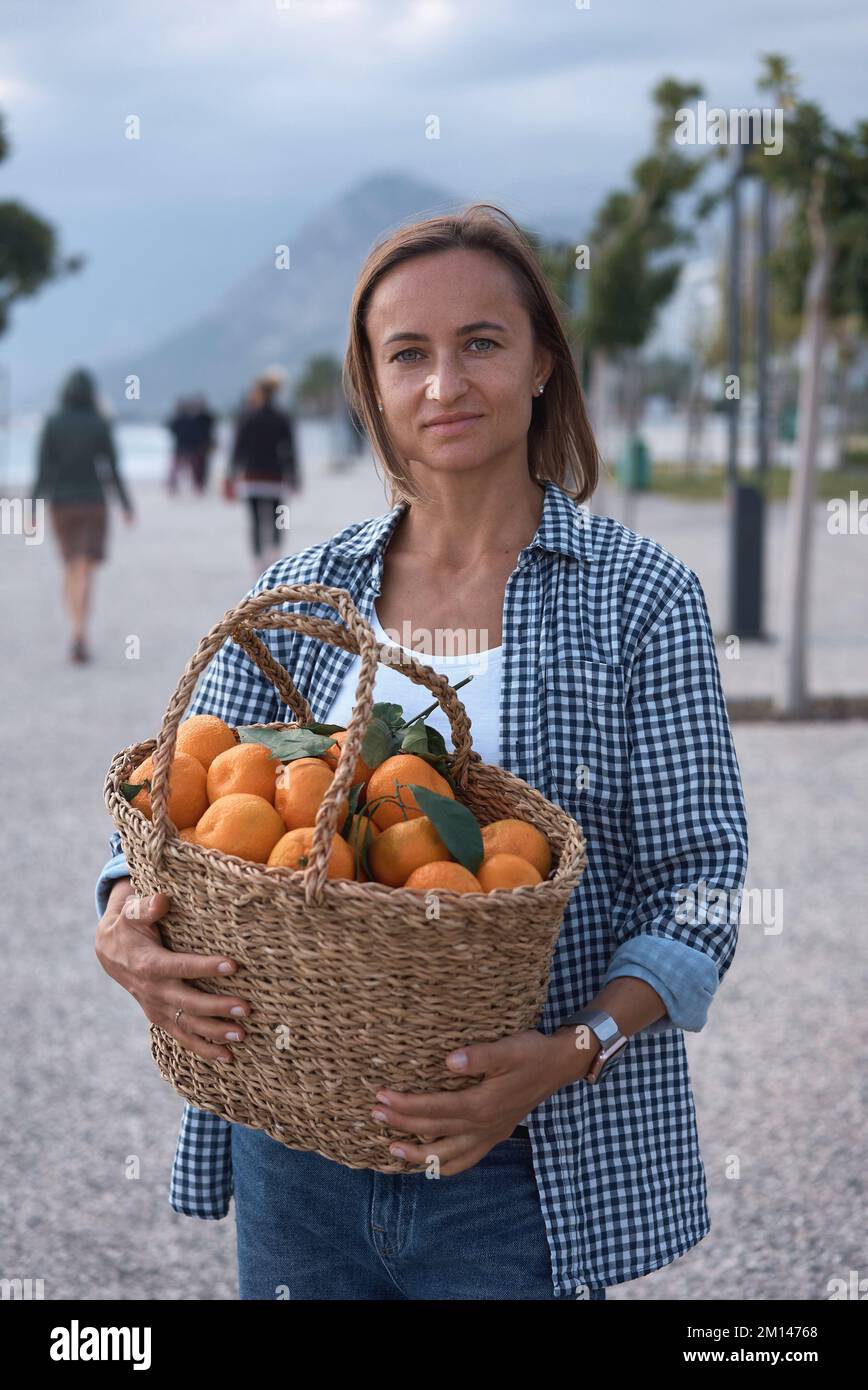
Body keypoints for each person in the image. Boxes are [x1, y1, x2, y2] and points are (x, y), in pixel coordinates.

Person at [94, 203, 748, 1300]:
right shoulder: (303, 596)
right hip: (290, 1144)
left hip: (522, 1164)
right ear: (373, 388)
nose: (444, 384)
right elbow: (181, 800)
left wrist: (572, 1049)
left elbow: (706, 887)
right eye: (409, 354)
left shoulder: (642, 599)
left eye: (480, 344)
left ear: (542, 362)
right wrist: (121, 920)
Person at [32, 367, 134, 664]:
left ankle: (76, 630)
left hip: (61, 505)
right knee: (85, 568)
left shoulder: (52, 423)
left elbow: (44, 470)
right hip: (93, 504)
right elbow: (113, 468)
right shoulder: (100, 423)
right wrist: (126, 505)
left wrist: (33, 507)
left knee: (71, 566)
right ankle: (80, 630)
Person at [225, 373, 299, 573]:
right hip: (276, 476)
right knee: (279, 517)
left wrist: (230, 475)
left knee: (256, 520)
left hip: (252, 476)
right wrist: (294, 477)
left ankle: (258, 560)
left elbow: (238, 449)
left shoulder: (247, 416)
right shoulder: (282, 417)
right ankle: (275, 553)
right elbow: (290, 450)